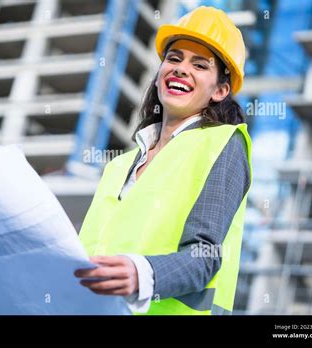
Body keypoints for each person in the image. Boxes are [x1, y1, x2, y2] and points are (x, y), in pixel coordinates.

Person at [74, 6, 252, 315]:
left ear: (221, 89)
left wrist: (141, 274)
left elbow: (205, 254)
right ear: (159, 75)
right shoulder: (118, 166)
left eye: (200, 64)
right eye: (174, 58)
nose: (182, 69)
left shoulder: (223, 143)